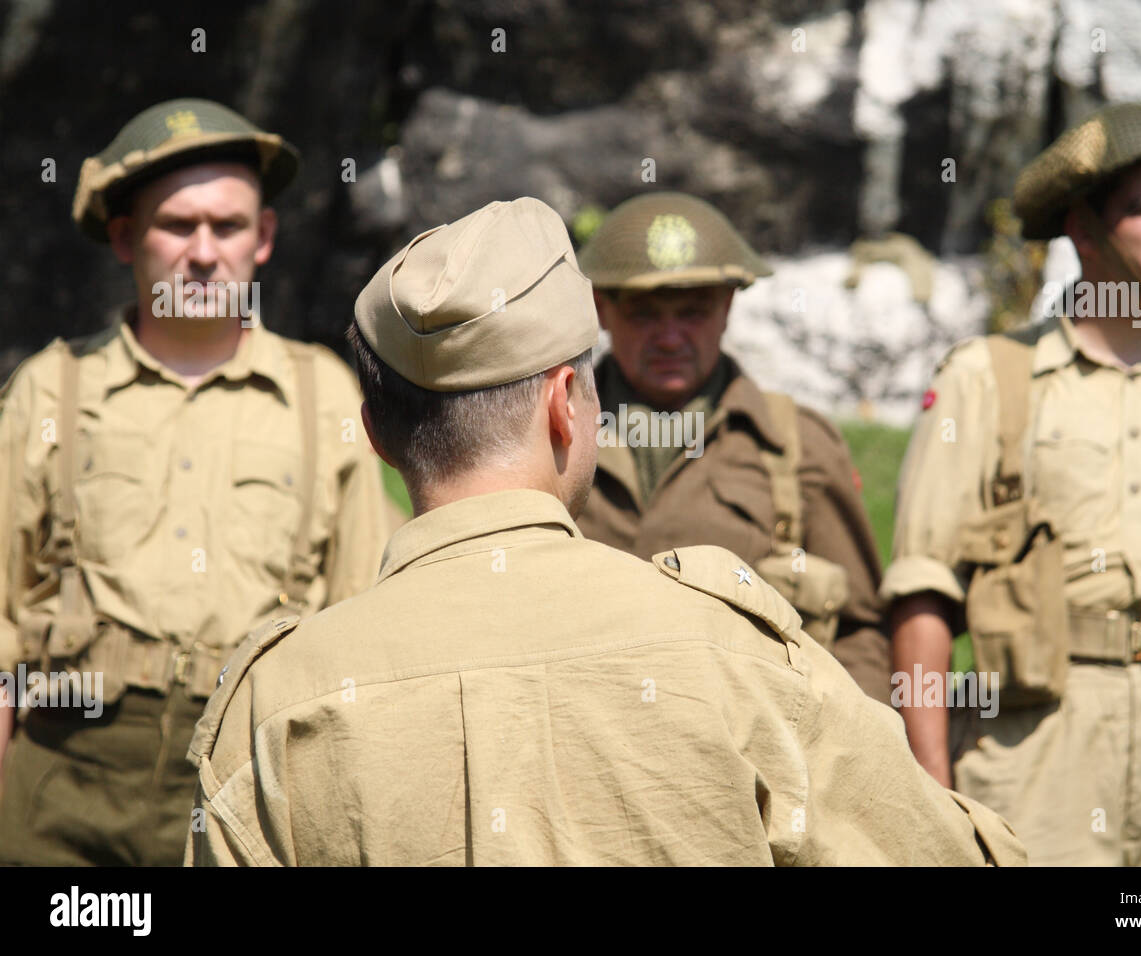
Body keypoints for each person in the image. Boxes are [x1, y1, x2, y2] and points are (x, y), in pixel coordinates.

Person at [185, 197, 1026, 866]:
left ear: (374, 432)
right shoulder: (738, 657)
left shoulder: (273, 703)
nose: (670, 332)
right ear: (565, 406)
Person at [885, 101, 1141, 866]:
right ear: (1082, 228)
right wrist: (931, 799)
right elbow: (922, 598)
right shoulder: (988, 382)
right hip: (1038, 756)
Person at [0, 98, 389, 865]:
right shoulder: (52, 388)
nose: (204, 252)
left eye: (229, 225)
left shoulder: (325, 396)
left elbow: (361, 635)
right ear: (124, 238)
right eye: (177, 225)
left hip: (252, 780)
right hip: (68, 781)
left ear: (265, 239)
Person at [575, 192, 892, 704]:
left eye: (693, 312)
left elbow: (862, 633)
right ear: (601, 310)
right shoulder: (553, 440)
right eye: (644, 313)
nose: (670, 337)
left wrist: (849, 761)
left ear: (728, 306)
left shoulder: (796, 446)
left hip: (755, 767)